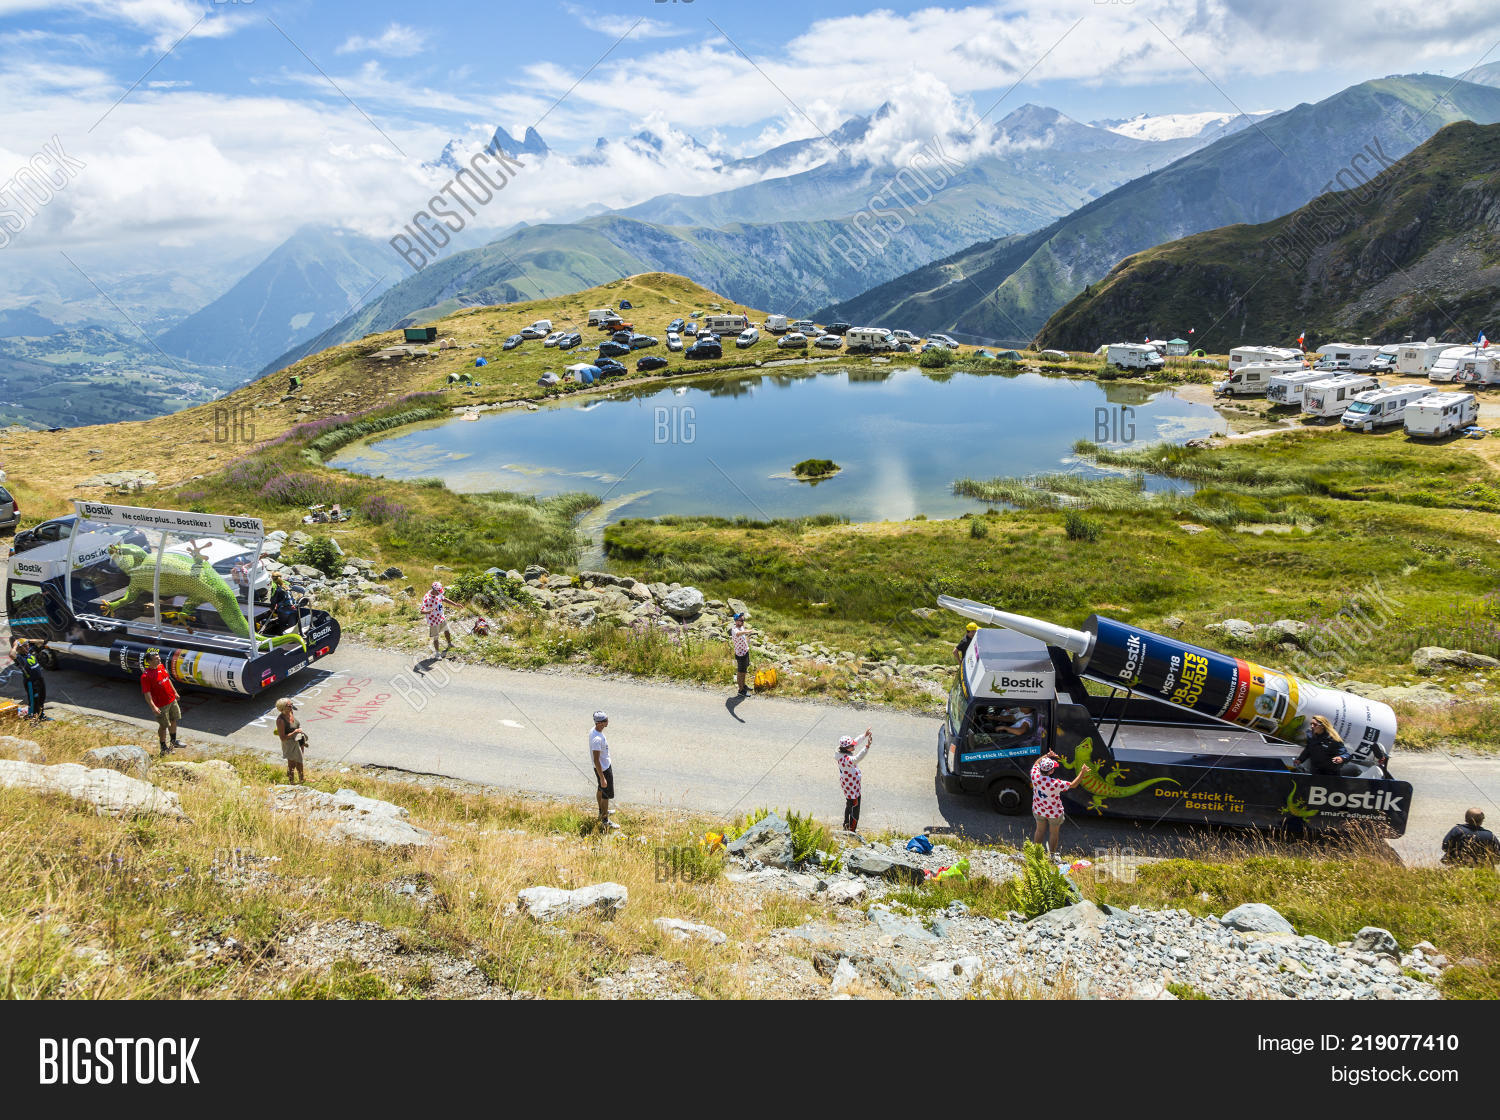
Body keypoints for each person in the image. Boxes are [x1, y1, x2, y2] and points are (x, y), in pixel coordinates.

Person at [1030, 750, 1089, 858]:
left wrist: (1047, 755)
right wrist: (1082, 772)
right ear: (1051, 771)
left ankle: (1036, 854)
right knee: (1053, 834)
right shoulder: (1055, 783)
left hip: (1038, 809)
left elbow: (1035, 764)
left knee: (1039, 831)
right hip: (1054, 813)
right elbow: (1073, 785)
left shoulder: (1034, 775)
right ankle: (1051, 855)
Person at [140, 648, 181, 755]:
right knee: (163, 726)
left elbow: (167, 680)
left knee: (174, 720)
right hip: (161, 705)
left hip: (171, 700)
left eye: (159, 658)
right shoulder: (146, 676)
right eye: (155, 659)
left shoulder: (161, 667)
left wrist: (175, 692)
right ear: (149, 662)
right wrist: (153, 707)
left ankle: (173, 741)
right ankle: (163, 747)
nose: (159, 660)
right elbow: (147, 693)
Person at [1292, 714, 1356, 776]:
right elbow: (1308, 750)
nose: (1312, 726)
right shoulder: (1311, 737)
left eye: (1314, 724)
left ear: (1322, 726)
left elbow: (1347, 755)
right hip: (1315, 772)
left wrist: (1341, 758)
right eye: (1311, 724)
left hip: (1330, 775)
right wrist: (1300, 760)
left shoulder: (1333, 739)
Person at [837, 728, 874, 833]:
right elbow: (858, 758)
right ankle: (852, 830)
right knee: (855, 808)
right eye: (852, 746)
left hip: (849, 786)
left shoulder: (842, 753)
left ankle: (846, 825)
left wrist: (864, 735)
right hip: (852, 789)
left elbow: (856, 742)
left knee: (849, 805)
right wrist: (867, 747)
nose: (854, 746)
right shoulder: (846, 759)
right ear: (847, 748)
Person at [590, 710, 619, 830]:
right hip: (603, 768)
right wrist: (602, 777)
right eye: (605, 720)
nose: (608, 721)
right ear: (600, 723)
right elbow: (597, 759)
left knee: (600, 789)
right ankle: (605, 820)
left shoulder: (594, 731)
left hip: (601, 767)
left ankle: (601, 811)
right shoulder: (597, 739)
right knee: (606, 795)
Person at [11, 635, 48, 721]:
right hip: (31, 682)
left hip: (40, 680)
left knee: (41, 698)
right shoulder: (20, 658)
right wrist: (15, 645)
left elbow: (42, 641)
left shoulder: (29, 652)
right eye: (25, 646)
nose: (27, 646)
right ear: (19, 649)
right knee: (34, 701)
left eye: (27, 645)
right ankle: (33, 719)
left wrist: (27, 640)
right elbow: (11, 654)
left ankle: (41, 715)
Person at [273, 697, 308, 784]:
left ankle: (301, 778)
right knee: (292, 763)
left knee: (299, 760)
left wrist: (298, 729)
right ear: (283, 708)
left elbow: (295, 724)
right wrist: (295, 732)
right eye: (289, 705)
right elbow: (283, 738)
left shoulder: (291, 712)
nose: (292, 706)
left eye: (292, 704)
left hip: (298, 740)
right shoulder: (280, 720)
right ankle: (292, 782)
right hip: (289, 743)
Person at [421, 581, 456, 657]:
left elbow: (444, 599)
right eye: (438, 592)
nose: (440, 593)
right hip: (433, 620)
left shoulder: (439, 594)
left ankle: (449, 643)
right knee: (436, 637)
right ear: (433, 589)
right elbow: (422, 611)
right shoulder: (427, 598)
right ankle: (437, 653)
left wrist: (455, 604)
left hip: (441, 617)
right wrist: (428, 611)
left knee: (447, 631)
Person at [730, 612, 751, 696]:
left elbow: (743, 636)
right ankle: (740, 690)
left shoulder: (741, 627)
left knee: (744, 671)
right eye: (740, 620)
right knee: (740, 672)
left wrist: (747, 639)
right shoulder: (734, 630)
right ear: (736, 621)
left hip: (745, 652)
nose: (742, 622)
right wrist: (746, 631)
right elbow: (738, 634)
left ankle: (743, 685)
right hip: (740, 654)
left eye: (743, 620)